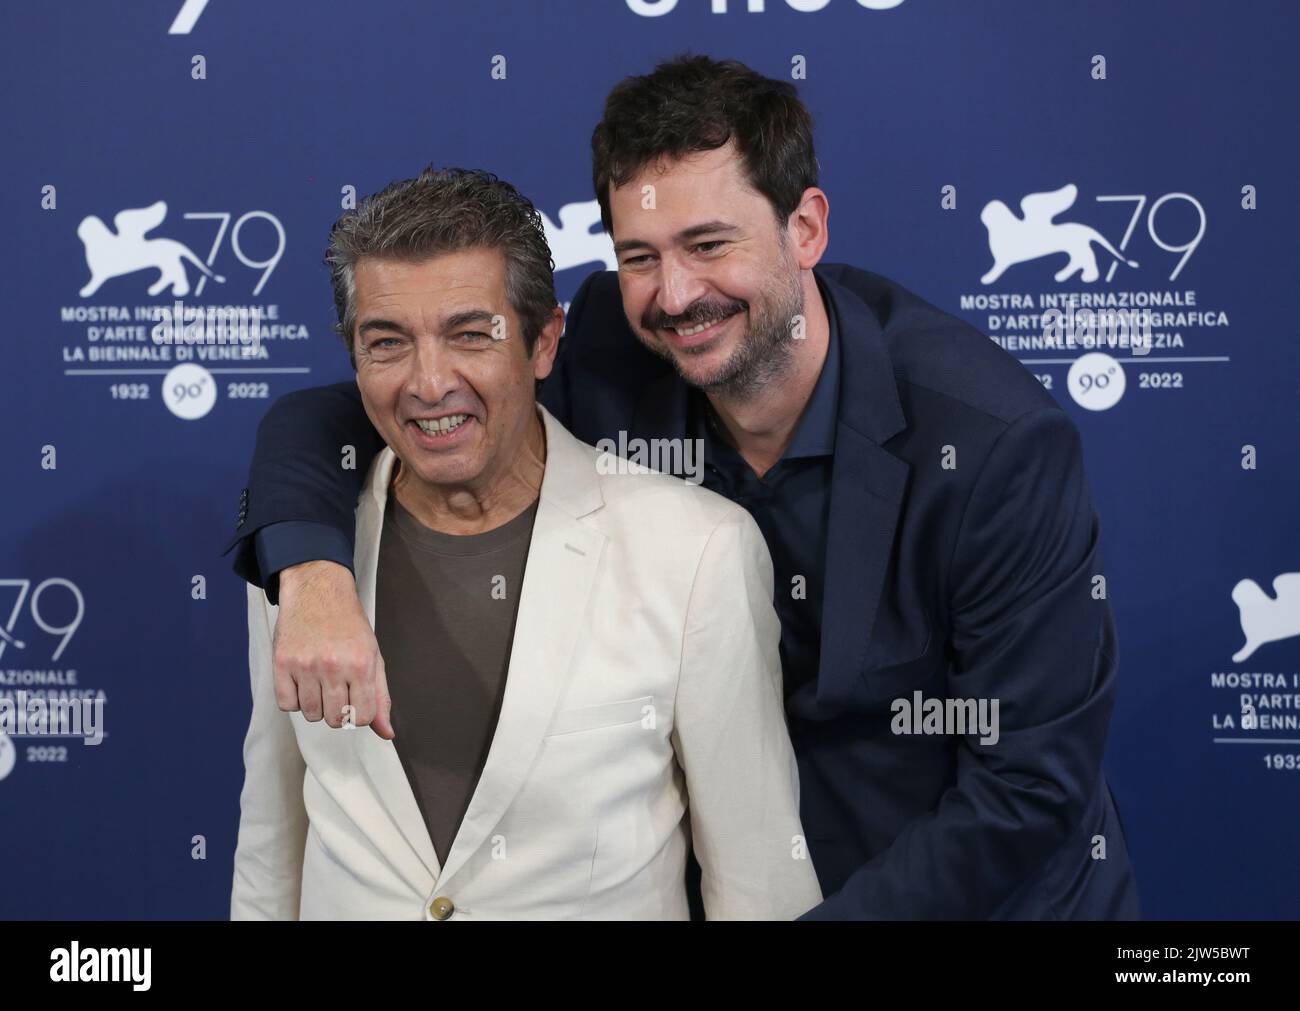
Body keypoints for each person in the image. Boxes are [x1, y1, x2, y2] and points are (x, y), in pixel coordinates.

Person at [227, 55, 1140, 919]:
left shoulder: (990, 443)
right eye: (638, 255)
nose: (675, 293)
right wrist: (309, 569)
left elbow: (1030, 788)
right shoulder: (608, 343)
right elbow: (358, 413)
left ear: (806, 227)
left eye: (709, 243)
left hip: (966, 897)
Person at [230, 166, 822, 920]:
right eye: (387, 342)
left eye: (470, 334)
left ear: (544, 343)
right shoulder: (301, 560)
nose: (429, 381)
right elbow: (272, 843)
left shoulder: (697, 550)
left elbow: (760, 879)